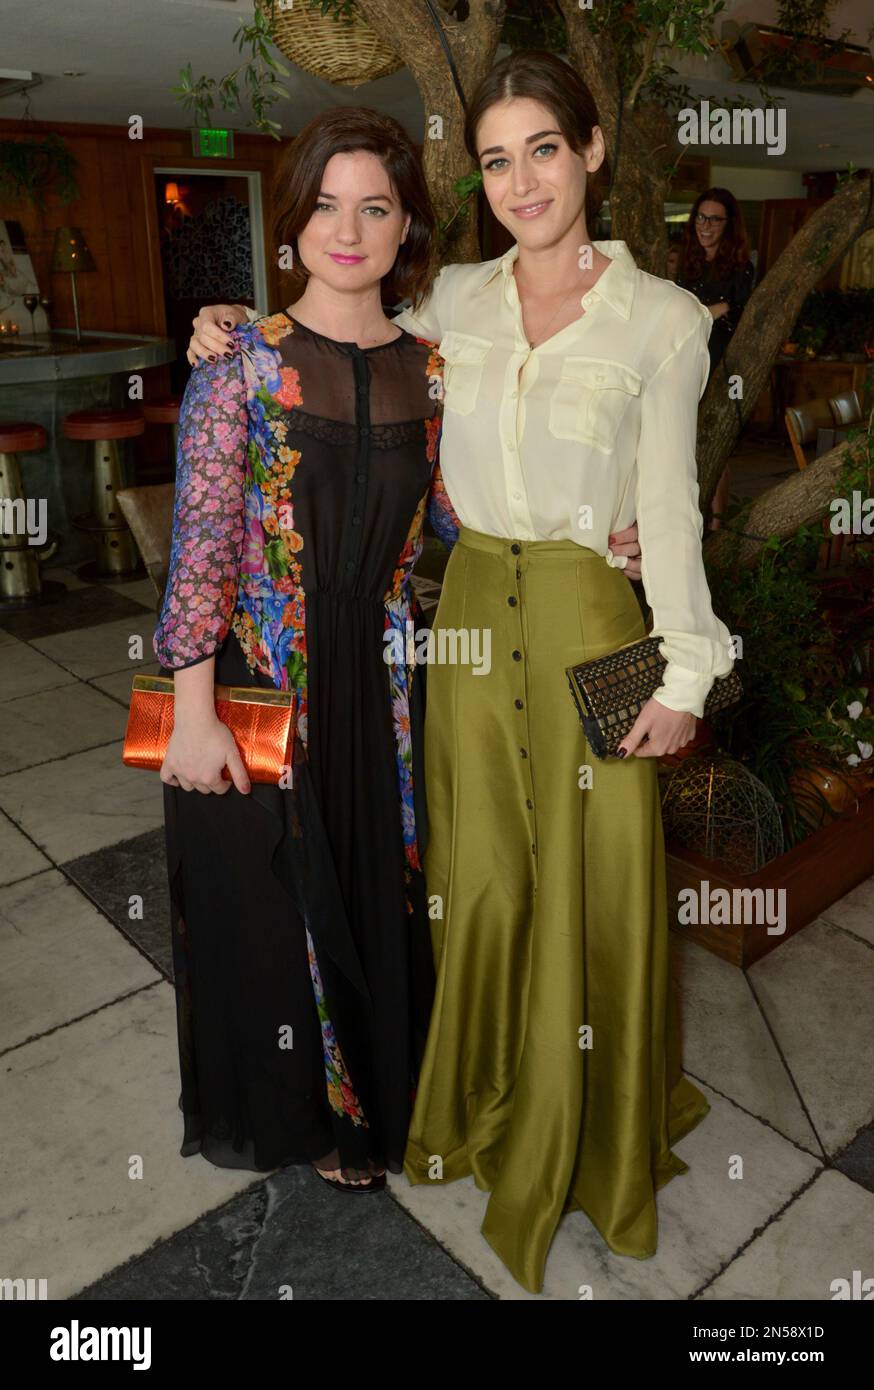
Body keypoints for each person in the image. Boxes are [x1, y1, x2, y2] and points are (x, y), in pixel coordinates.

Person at [186, 50, 732, 1295]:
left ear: (593, 153)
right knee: (478, 883)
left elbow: (673, 519)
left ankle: (586, 1136)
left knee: (591, 889)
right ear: (475, 180)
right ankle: (478, 1095)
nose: (522, 179)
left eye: (544, 147)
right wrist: (222, 327)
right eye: (495, 159)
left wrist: (685, 675)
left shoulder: (664, 322)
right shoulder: (455, 305)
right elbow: (344, 349)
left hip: (595, 624)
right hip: (469, 623)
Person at [155, 107, 461, 1193]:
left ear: (403, 225)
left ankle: (380, 1095)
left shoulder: (436, 373)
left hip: (383, 683)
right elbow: (197, 550)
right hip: (260, 678)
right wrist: (189, 716)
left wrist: (597, 529)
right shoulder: (238, 359)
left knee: (378, 890)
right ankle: (313, 1113)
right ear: (293, 223)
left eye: (374, 204)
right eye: (326, 203)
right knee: (281, 912)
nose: (349, 227)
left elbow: (464, 524)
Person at [676, 187, 756, 529]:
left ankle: (718, 524)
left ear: (728, 224)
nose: (705, 225)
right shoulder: (687, 261)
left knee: (715, 443)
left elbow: (738, 312)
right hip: (684, 357)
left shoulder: (740, 266)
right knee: (683, 441)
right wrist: (710, 311)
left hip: (720, 360)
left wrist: (707, 312)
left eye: (714, 219)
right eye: (701, 217)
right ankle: (688, 516)